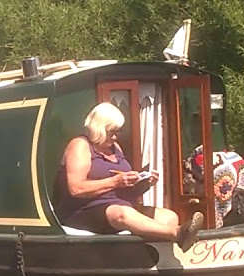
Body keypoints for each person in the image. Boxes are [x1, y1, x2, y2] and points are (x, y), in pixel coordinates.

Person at [55, 101, 204, 248]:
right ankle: (177, 234)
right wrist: (115, 182)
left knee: (169, 217)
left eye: (118, 132)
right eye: (111, 132)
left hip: (121, 204)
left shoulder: (115, 148)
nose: (115, 137)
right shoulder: (80, 145)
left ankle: (158, 255)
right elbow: (76, 188)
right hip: (86, 209)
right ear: (98, 128)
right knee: (123, 214)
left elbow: (125, 188)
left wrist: (144, 183)